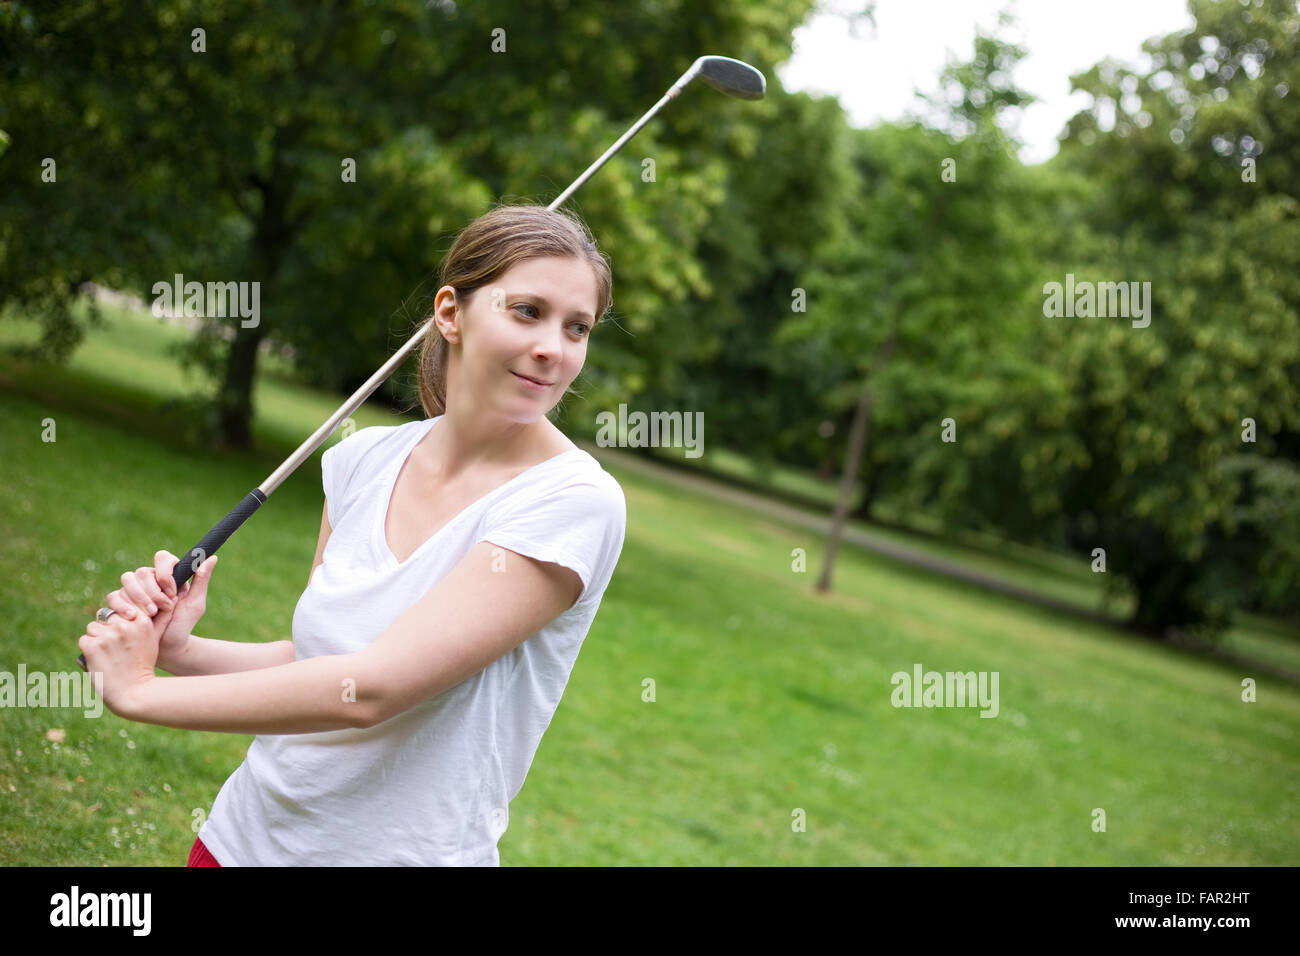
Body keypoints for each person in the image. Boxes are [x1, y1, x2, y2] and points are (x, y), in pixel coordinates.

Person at [78, 203, 628, 866]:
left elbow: (372, 688)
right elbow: (323, 662)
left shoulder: (573, 502)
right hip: (241, 839)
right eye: (528, 311)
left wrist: (142, 693)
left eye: (578, 328)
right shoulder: (363, 459)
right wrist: (177, 651)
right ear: (450, 313)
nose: (554, 349)